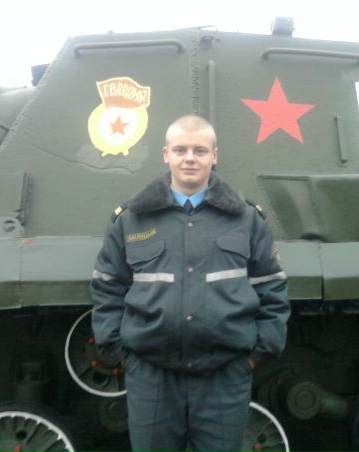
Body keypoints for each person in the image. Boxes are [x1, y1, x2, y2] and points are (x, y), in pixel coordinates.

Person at [90, 115, 290, 452]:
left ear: (215, 156)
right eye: (180, 150)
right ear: (166, 154)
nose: (190, 158)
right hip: (151, 376)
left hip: (224, 375)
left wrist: (255, 356)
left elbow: (272, 287)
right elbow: (107, 286)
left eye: (200, 150)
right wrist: (122, 354)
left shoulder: (246, 219)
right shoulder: (131, 219)